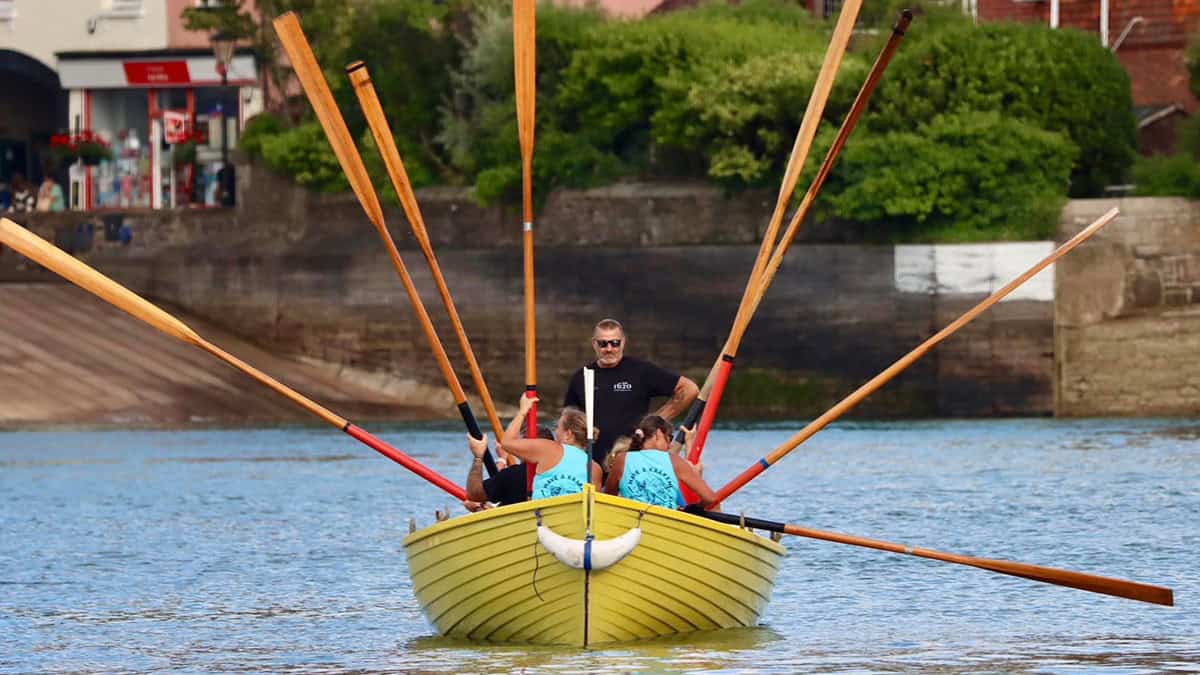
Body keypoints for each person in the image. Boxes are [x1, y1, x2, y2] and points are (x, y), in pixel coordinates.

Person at [564, 318, 698, 465]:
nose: (609, 349)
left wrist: (656, 421)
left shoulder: (640, 371)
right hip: (590, 463)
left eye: (615, 343)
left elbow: (689, 389)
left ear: (623, 342)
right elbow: (567, 422)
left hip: (634, 459)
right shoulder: (581, 377)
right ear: (594, 344)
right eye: (603, 344)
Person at [493, 395, 602, 500]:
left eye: (558, 427)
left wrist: (522, 411)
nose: (555, 432)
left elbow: (506, 443)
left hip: (542, 517)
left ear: (568, 434)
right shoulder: (595, 468)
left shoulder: (549, 448)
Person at [604, 415, 718, 510]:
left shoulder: (622, 459)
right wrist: (693, 509)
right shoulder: (675, 461)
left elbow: (609, 497)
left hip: (632, 522)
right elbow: (710, 498)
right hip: (667, 524)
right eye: (670, 437)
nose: (670, 445)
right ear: (658, 434)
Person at [463, 424, 556, 510]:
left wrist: (478, 456)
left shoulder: (513, 475)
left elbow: (473, 493)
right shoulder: (564, 467)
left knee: (472, 504)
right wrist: (502, 460)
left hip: (522, 523)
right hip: (551, 518)